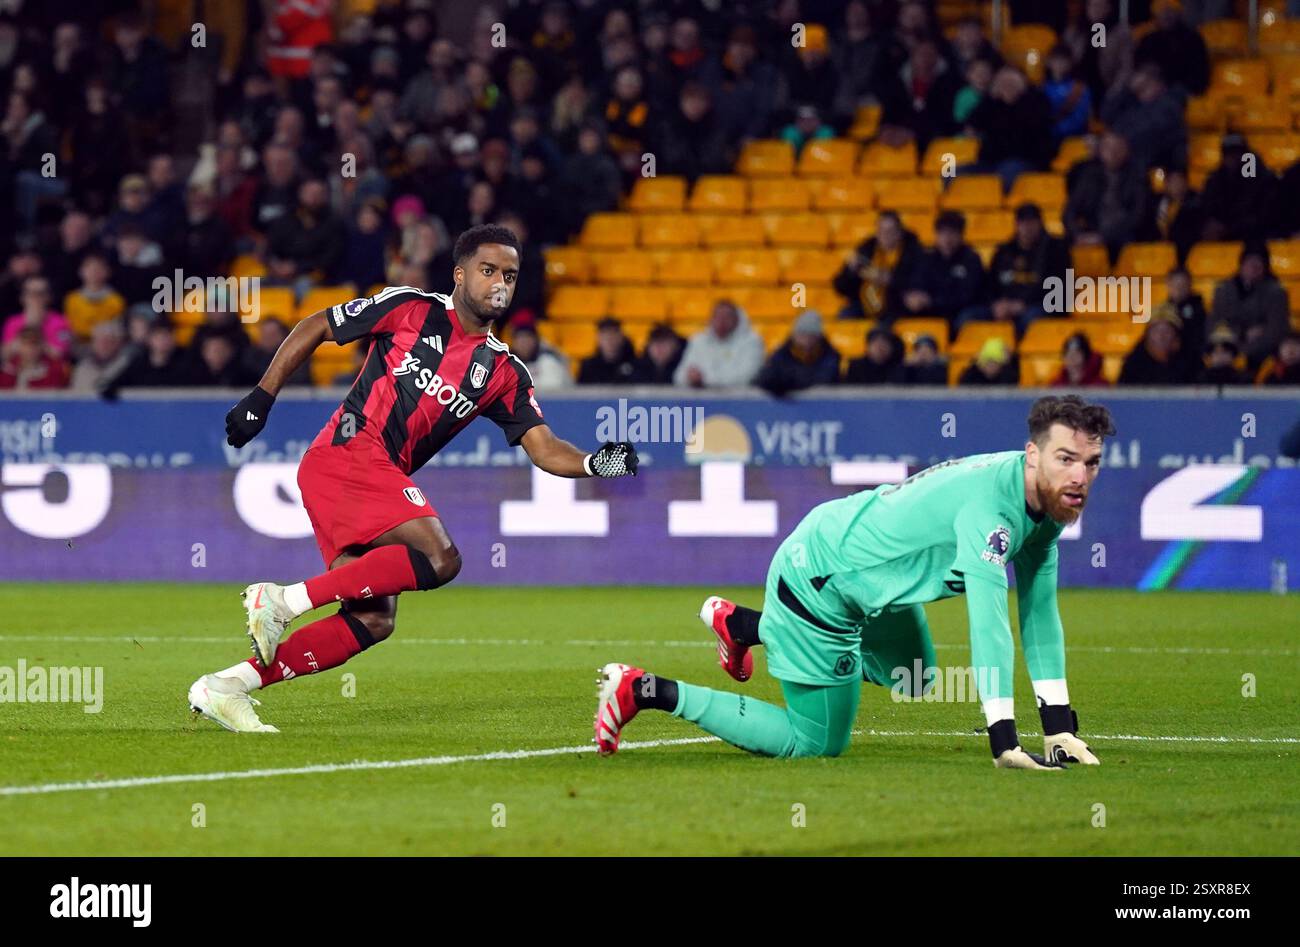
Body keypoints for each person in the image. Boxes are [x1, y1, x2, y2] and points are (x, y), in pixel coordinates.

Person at [189, 225, 640, 733]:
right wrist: (262, 397)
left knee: (374, 618)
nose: (499, 284)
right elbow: (317, 325)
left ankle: (227, 686)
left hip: (360, 478)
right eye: (488, 270)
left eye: (510, 276)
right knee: (440, 557)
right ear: (460, 274)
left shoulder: (504, 372)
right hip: (346, 454)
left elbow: (544, 447)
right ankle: (281, 601)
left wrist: (595, 463)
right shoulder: (410, 307)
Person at [594, 396, 1114, 771]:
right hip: (820, 578)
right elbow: (989, 622)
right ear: (1032, 454)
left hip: (872, 584)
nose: (1079, 477)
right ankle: (644, 689)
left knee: (915, 680)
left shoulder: (1045, 508)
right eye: (1065, 460)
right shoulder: (992, 510)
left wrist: (1059, 729)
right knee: (816, 743)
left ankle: (747, 626)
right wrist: (1004, 740)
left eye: (1090, 463)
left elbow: (1039, 612)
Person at [1210, 243, 1290, 370]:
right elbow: (1217, 322)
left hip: (1263, 354)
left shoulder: (1277, 293)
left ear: (1265, 266)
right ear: (1241, 264)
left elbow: (1275, 330)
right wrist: (1241, 334)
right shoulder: (1224, 290)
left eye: (1258, 262)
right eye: (1249, 262)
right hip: (1228, 349)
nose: (1253, 267)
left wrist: (1244, 353)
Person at [832, 211, 922, 320]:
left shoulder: (913, 252)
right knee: (845, 316)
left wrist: (891, 280)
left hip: (896, 306)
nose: (885, 235)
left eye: (890, 231)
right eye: (881, 231)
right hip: (864, 304)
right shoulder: (866, 249)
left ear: (899, 233)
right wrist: (850, 271)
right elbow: (840, 287)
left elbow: (919, 285)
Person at [673, 299, 764, 388]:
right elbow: (679, 376)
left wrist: (704, 380)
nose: (721, 321)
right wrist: (689, 377)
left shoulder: (752, 342)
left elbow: (747, 377)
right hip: (702, 397)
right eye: (717, 316)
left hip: (739, 397)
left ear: (737, 320)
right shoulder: (699, 341)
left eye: (727, 317)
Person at [756, 309, 841, 395]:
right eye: (802, 334)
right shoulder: (781, 355)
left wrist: (788, 383)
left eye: (811, 336)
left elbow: (823, 382)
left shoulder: (830, 357)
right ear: (794, 335)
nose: (806, 341)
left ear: (819, 338)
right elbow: (765, 380)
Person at [1118, 305, 1194, 385]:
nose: (1162, 336)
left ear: (1176, 337)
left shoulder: (1191, 364)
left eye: (1167, 331)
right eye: (1156, 330)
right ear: (1147, 336)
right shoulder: (1133, 365)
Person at [577, 317, 646, 384]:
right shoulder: (588, 366)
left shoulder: (637, 365)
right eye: (605, 336)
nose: (609, 340)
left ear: (621, 337)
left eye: (613, 334)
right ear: (598, 338)